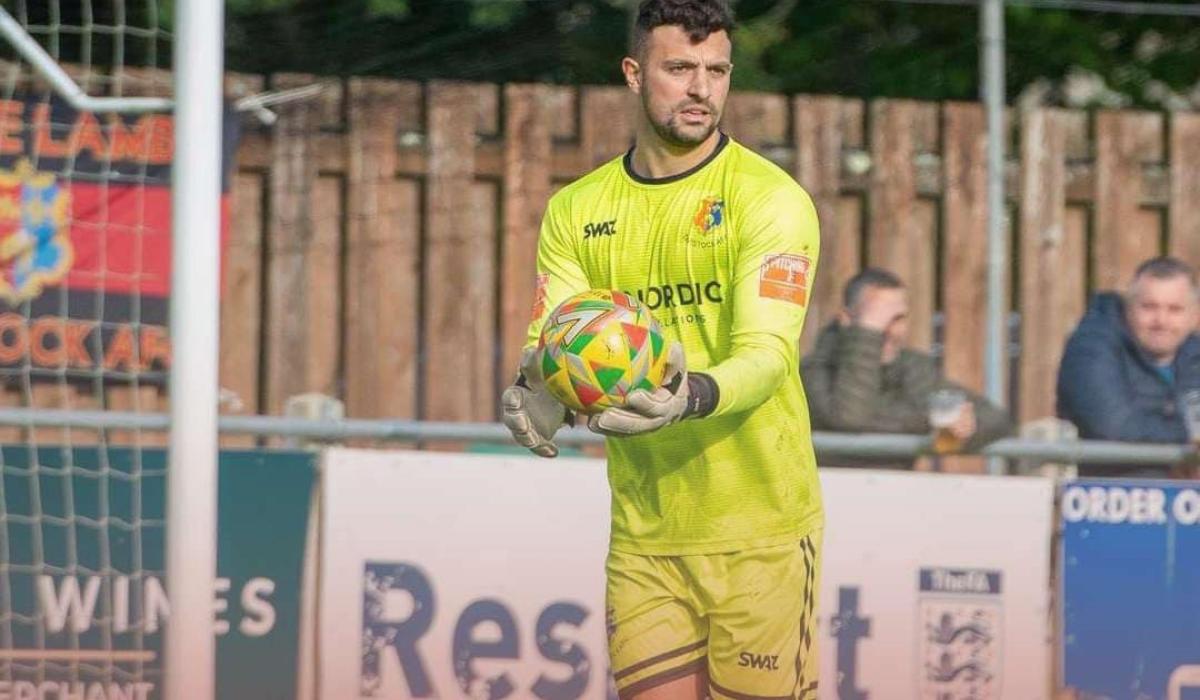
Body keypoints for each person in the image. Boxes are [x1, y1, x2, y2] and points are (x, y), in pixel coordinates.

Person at [500, 1, 823, 697]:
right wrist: (536, 391)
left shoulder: (771, 200)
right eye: (679, 68)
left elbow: (768, 354)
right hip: (645, 535)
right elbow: (549, 342)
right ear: (634, 73)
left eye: (717, 71)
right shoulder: (578, 210)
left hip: (760, 534)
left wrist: (689, 398)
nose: (701, 88)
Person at [801, 268, 1013, 466]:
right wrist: (929, 420)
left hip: (898, 498)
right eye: (876, 319)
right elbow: (850, 417)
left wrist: (964, 425)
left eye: (898, 318)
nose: (891, 331)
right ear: (846, 319)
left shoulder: (912, 368)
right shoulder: (812, 373)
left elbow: (996, 418)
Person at [1057, 256, 1200, 478]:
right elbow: (1113, 427)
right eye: (1149, 307)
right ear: (1128, 308)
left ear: (1194, 316)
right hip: (1106, 495)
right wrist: (1190, 431)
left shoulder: (1193, 353)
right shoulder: (1091, 346)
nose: (1161, 321)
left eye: (1175, 309)